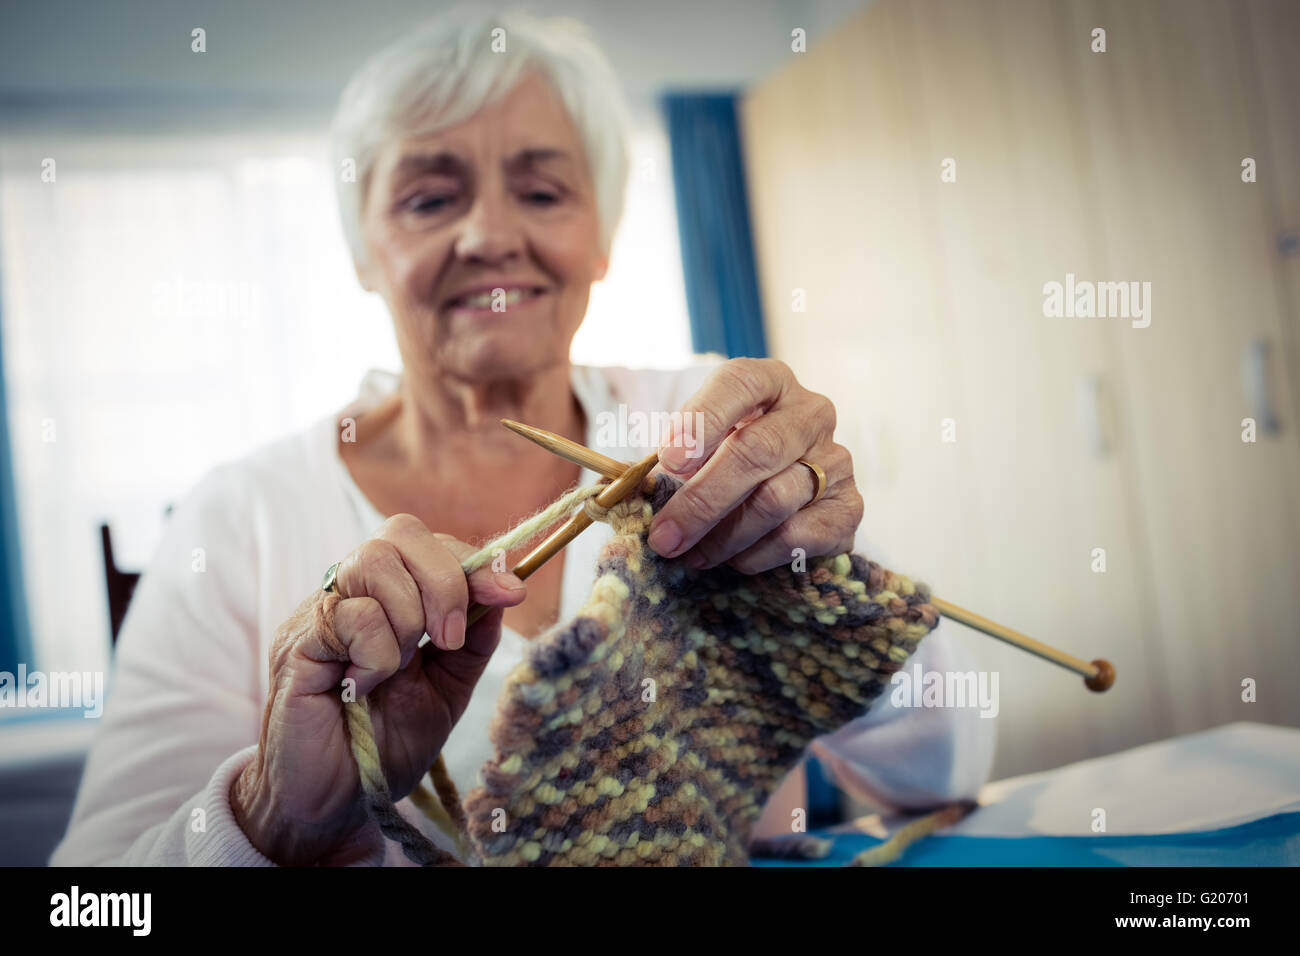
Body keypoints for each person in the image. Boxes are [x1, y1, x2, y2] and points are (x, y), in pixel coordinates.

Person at [51, 9, 994, 866]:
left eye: (542, 193)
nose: (491, 234)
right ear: (361, 249)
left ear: (601, 239)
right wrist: (274, 814)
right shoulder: (245, 511)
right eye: (429, 199)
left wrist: (812, 576)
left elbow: (946, 771)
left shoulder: (707, 424)